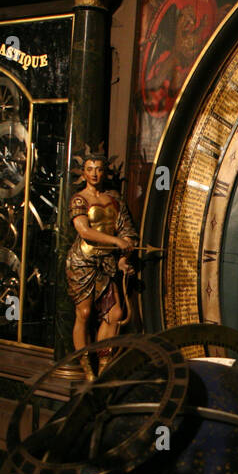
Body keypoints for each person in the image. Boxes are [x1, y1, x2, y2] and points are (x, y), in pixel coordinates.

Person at [66, 151, 137, 378]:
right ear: (83, 173)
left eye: (98, 169)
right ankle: (87, 367)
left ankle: (104, 365)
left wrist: (123, 259)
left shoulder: (114, 199)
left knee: (115, 314)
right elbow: (85, 231)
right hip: (83, 262)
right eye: (89, 169)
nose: (94, 174)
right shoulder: (79, 200)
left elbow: (126, 232)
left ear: (105, 172)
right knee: (84, 313)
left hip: (107, 263)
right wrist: (115, 241)